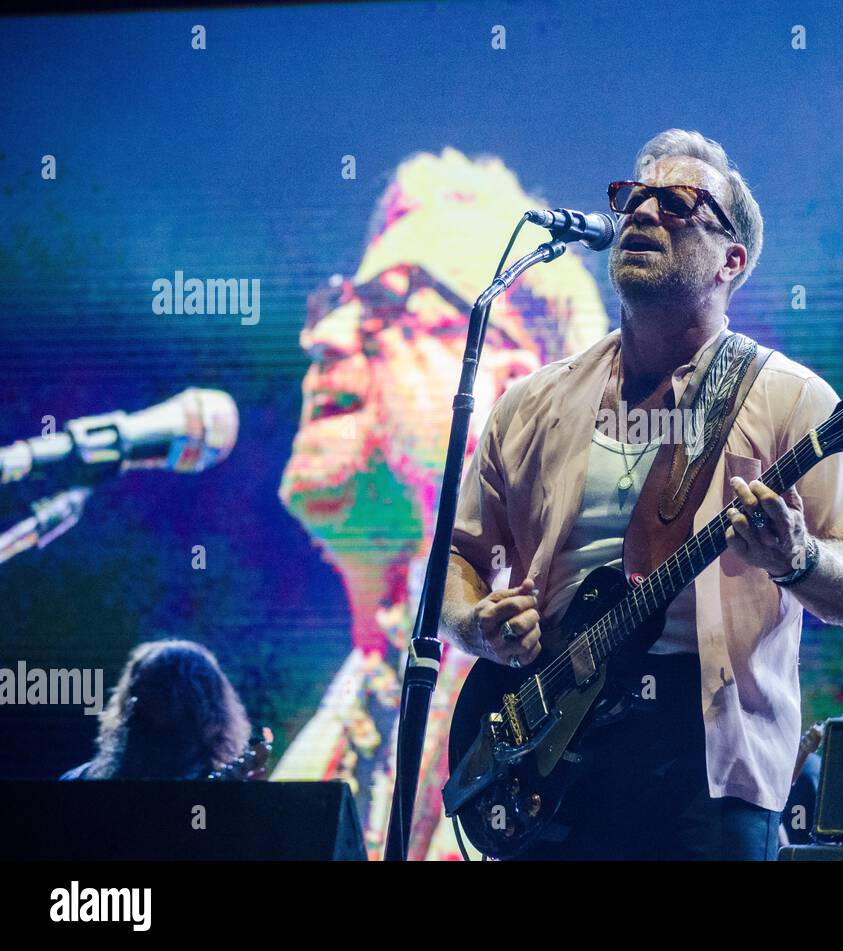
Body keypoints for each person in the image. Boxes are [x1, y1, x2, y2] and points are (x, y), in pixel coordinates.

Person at [443, 129, 843, 860]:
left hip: (706, 768)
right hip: (546, 746)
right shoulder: (530, 403)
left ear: (731, 261)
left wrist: (799, 556)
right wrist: (477, 626)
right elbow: (456, 563)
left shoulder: (791, 399)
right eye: (633, 197)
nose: (643, 213)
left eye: (678, 204)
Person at [272, 147, 609, 859]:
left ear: (514, 383)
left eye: (389, 304)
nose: (322, 336)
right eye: (339, 303)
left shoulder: (572, 673)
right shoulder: (349, 705)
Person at [61, 640, 251, 781]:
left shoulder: (230, 792)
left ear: (195, 706)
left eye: (159, 691)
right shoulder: (78, 781)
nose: (138, 704)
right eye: (135, 691)